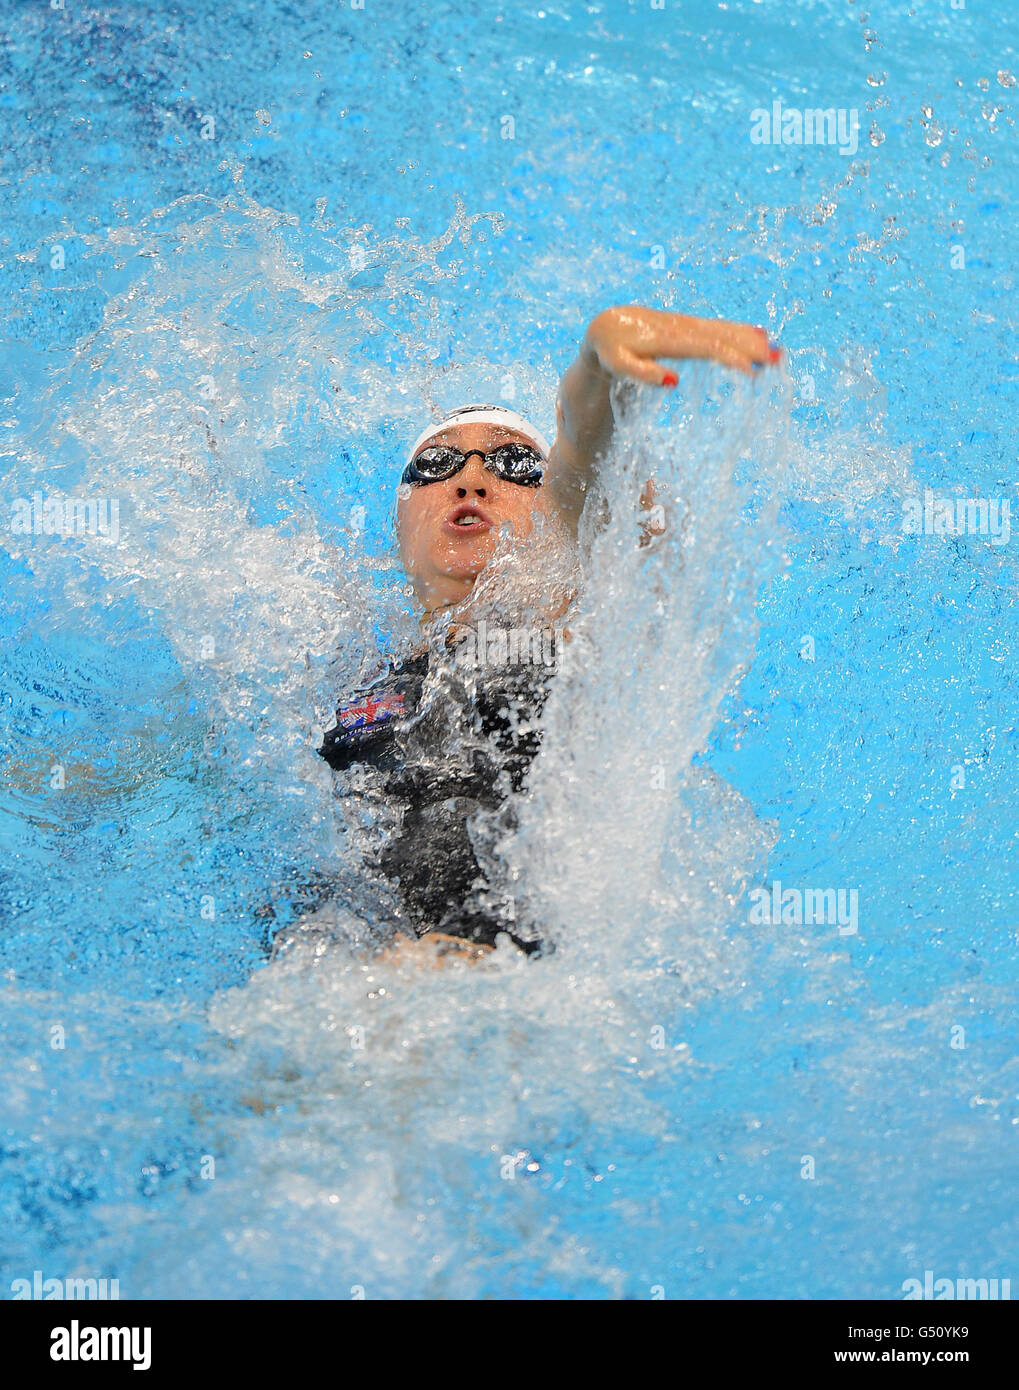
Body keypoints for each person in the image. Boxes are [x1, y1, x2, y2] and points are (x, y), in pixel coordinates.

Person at [312, 307, 782, 965]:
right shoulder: (332, 656)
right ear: (399, 523)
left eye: (513, 465)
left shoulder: (549, 606)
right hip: (332, 963)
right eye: (436, 464)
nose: (471, 478)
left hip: (499, 971)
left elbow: (587, 449)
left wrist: (598, 363)